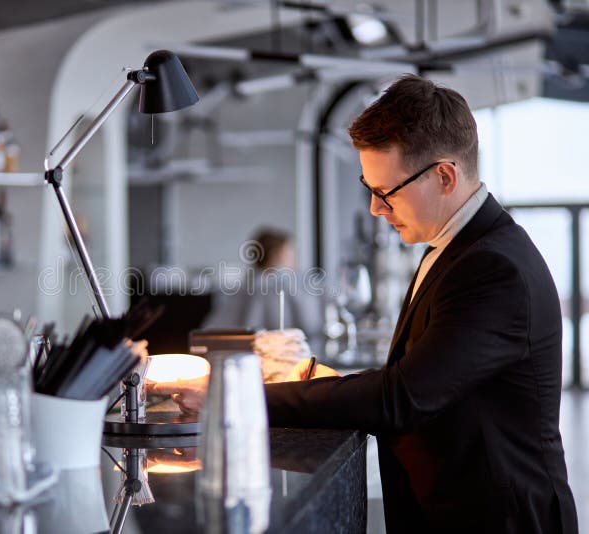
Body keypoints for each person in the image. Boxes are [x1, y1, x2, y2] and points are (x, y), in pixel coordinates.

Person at [152, 74, 578, 533]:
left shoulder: (493, 267)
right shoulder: (458, 248)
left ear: (444, 175)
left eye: (385, 192)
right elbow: (423, 378)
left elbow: (401, 399)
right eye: (369, 189)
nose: (376, 208)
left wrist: (235, 399)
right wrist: (314, 378)